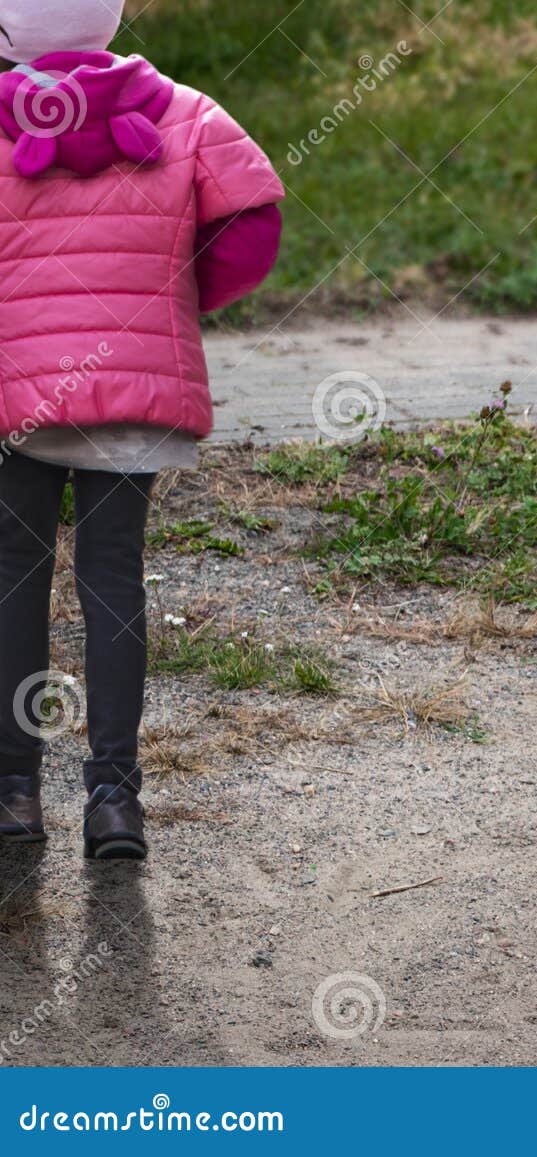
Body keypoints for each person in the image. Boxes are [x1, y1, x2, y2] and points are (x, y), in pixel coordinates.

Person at [0, 0, 284, 858]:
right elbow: (255, 217)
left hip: (20, 402)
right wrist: (179, 300)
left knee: (15, 576)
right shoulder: (188, 112)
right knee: (114, 580)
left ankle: (14, 792)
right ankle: (115, 800)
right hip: (136, 400)